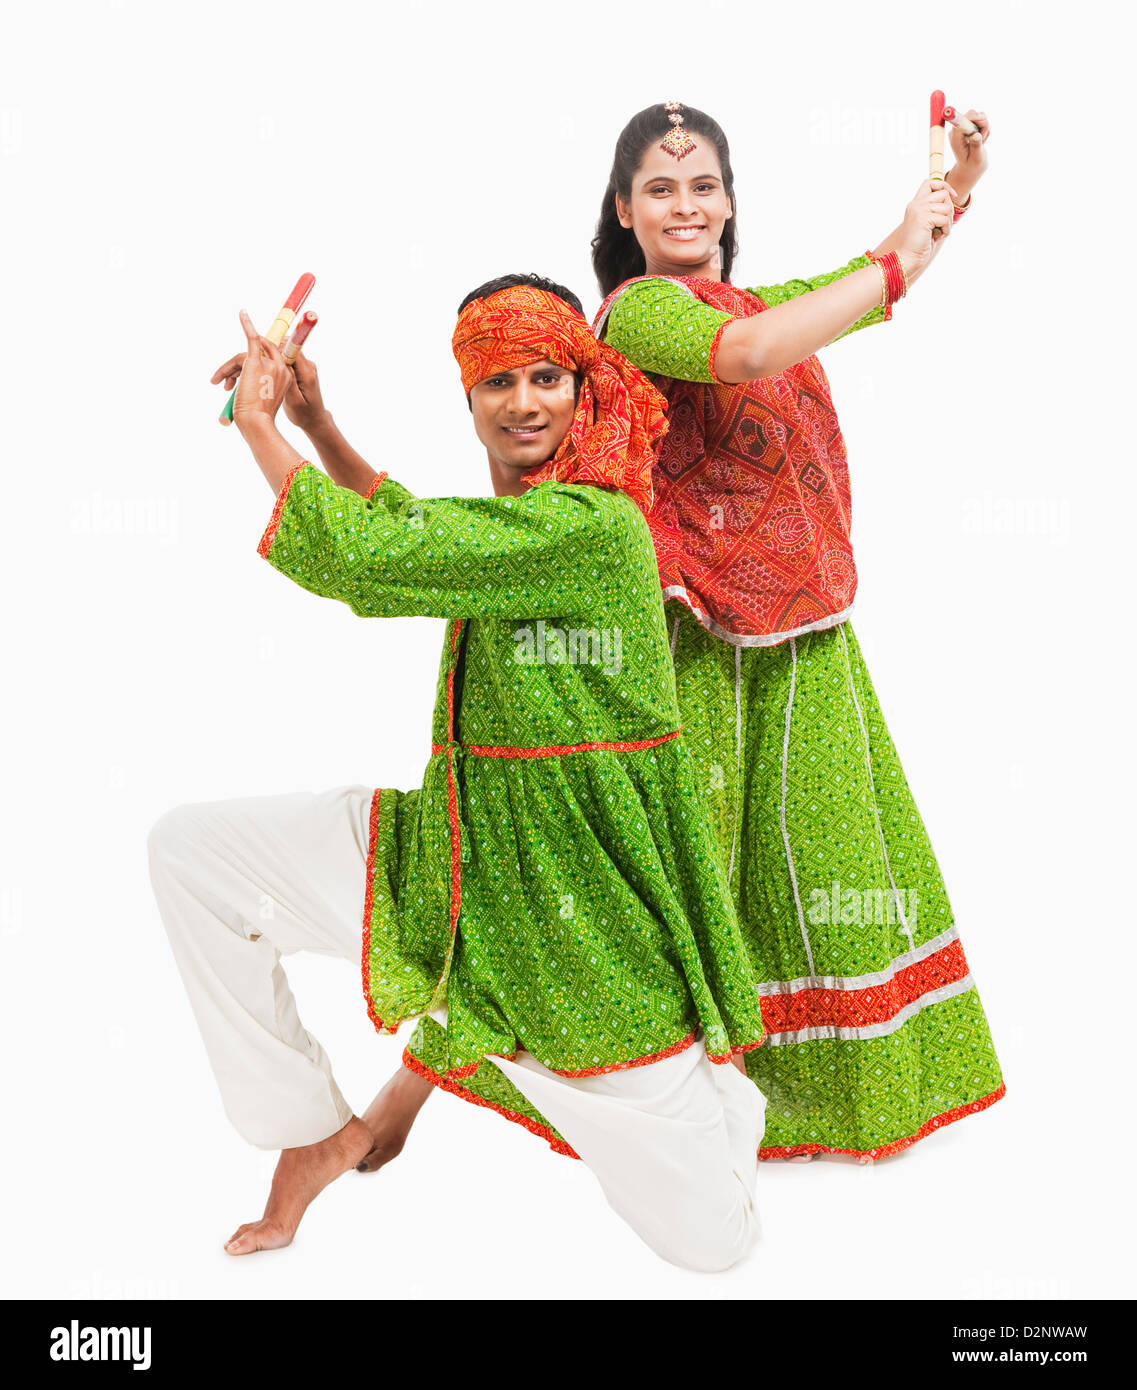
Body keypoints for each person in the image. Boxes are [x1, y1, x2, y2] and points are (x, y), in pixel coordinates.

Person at [148, 274, 768, 1270]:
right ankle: (314, 1128)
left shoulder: (592, 528)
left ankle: (700, 1093)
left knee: (715, 1245)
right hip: (451, 865)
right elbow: (410, 531)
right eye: (496, 382)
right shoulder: (516, 531)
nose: (522, 401)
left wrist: (260, 428)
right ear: (469, 400)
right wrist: (316, 418)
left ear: (584, 390)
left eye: (544, 378)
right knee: (190, 853)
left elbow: (377, 560)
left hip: (585, 940)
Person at [588, 102, 1005, 1162]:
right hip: (706, 647)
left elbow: (824, 304)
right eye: (661, 188)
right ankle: (687, 1107)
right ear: (625, 213)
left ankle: (823, 1101)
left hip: (807, 628)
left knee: (820, 850)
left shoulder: (737, 298)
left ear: (730, 201)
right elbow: (747, 353)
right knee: (720, 865)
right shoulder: (641, 313)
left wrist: (943, 199)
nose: (688, 204)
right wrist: (896, 266)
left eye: (705, 185)